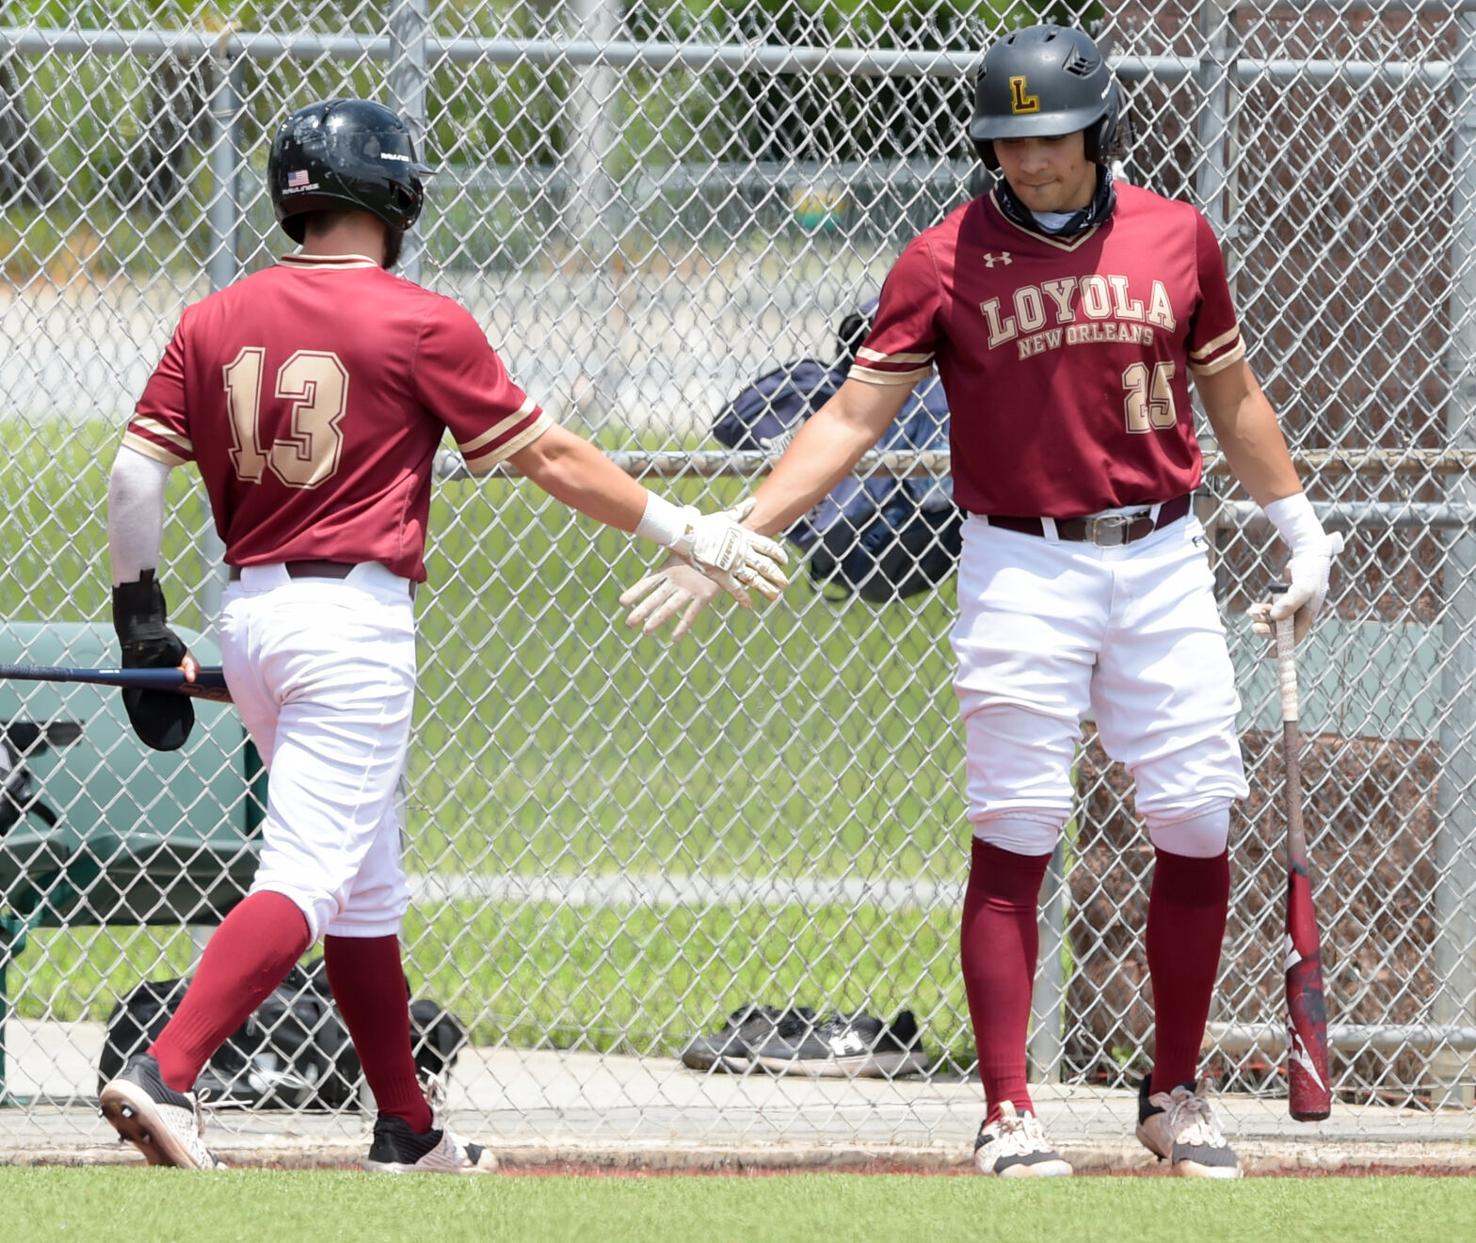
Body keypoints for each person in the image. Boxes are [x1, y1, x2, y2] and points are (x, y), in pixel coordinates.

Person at [624, 25, 1341, 1178]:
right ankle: (1008, 1107)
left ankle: (1173, 1091)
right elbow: (852, 419)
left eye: (1052, 137)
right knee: (1016, 826)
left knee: (1198, 818)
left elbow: (1235, 394)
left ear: (1099, 131)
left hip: (1162, 556)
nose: (1031, 159)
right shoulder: (942, 257)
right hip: (1020, 560)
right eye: (1009, 141)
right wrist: (732, 535)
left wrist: (1301, 531)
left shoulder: (1177, 236)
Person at [99, 97, 787, 1172]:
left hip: (252, 619)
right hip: (351, 624)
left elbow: (134, 473)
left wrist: (140, 625)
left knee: (363, 890)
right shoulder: (418, 320)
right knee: (308, 875)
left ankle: (406, 1126)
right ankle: (166, 1071)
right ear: (393, 193)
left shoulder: (212, 316)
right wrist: (688, 527)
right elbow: (547, 456)